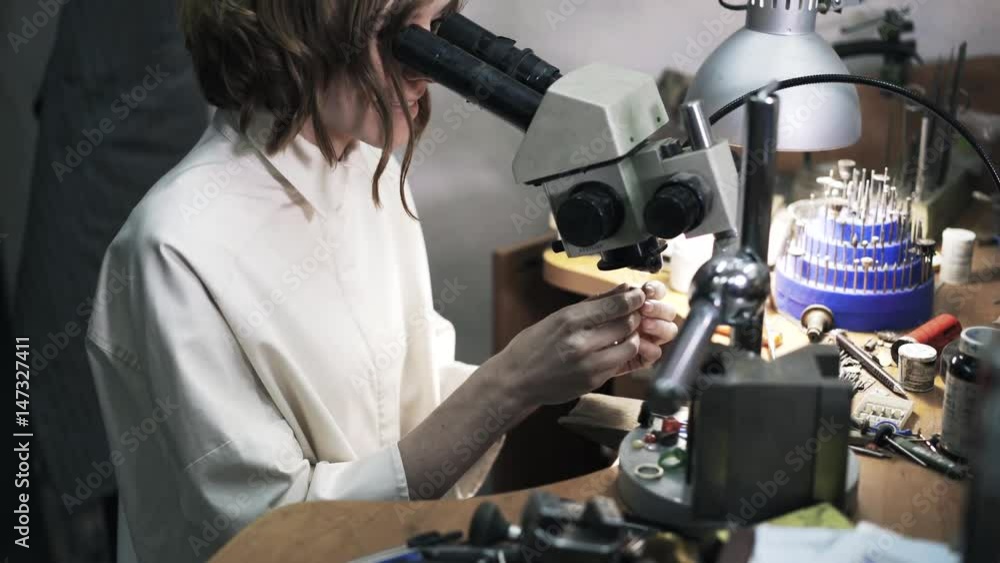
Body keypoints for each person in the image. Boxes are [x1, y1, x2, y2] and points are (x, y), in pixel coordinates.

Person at [85, 1, 680, 561]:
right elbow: (274, 537)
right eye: (402, 31)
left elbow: (410, 401)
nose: (426, 68)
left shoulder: (369, 171)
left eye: (437, 24)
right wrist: (511, 384)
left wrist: (563, 369)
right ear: (294, 29)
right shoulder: (174, 247)